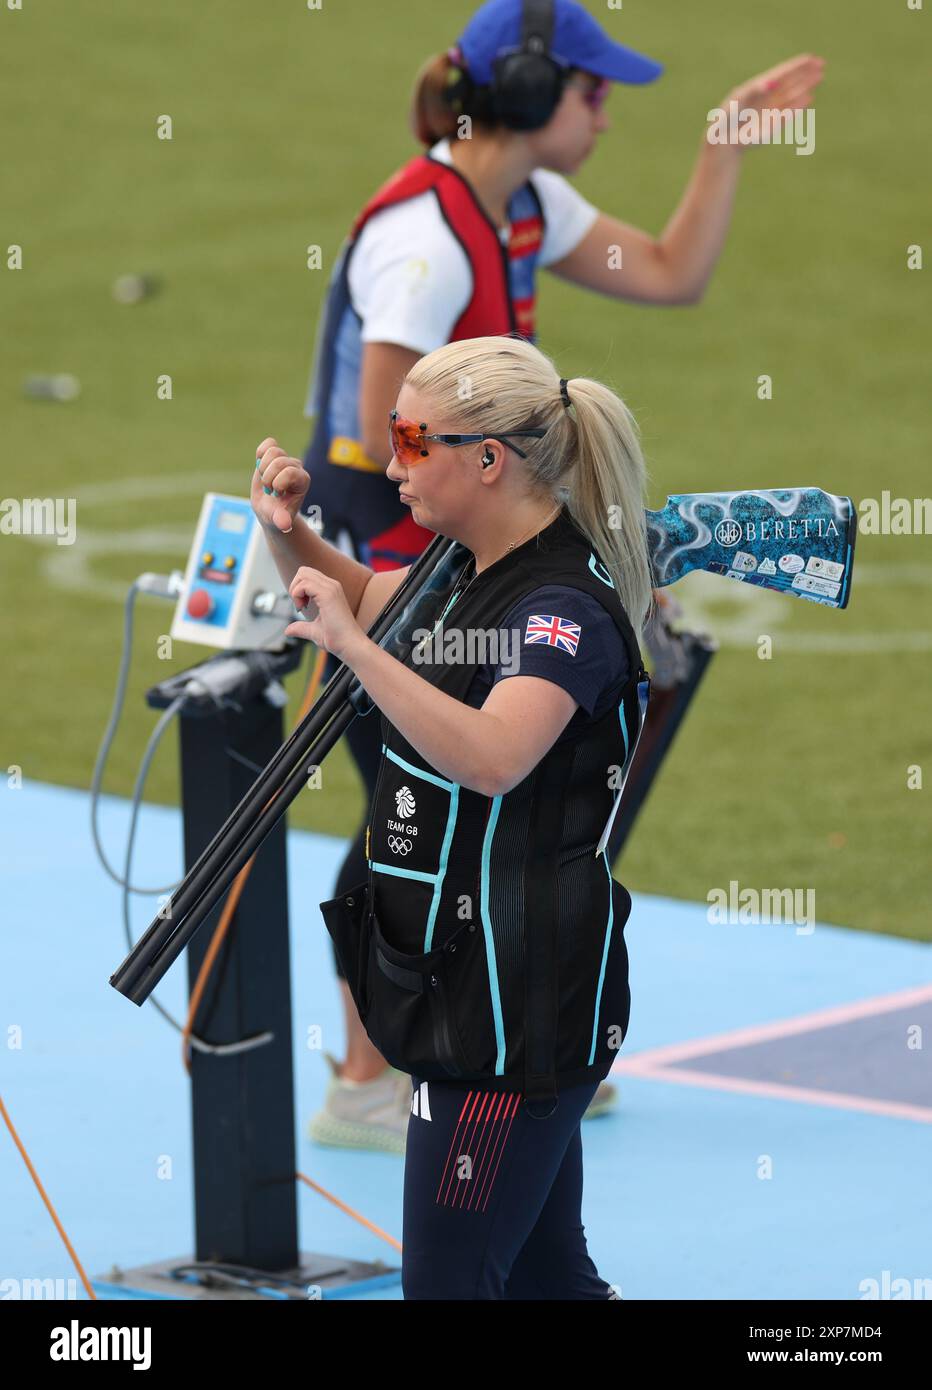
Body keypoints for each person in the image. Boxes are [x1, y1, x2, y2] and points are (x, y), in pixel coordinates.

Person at [299, 0, 824, 1147]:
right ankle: (367, 1075)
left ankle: (515, 1025)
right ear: (535, 96)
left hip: (478, 545)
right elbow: (388, 439)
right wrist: (496, 590)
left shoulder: (526, 204)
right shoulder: (424, 241)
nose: (603, 111)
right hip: (407, 550)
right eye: (593, 91)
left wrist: (722, 143)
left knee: (542, 769)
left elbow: (674, 271)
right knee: (415, 796)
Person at [253, 333, 651, 1299]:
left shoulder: (561, 610)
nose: (390, 464)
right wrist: (287, 533)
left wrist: (353, 649)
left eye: (410, 439)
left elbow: (493, 756)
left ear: (489, 458)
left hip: (512, 1014)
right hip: (476, 992)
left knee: (451, 1286)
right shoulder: (462, 570)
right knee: (550, 1280)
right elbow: (368, 602)